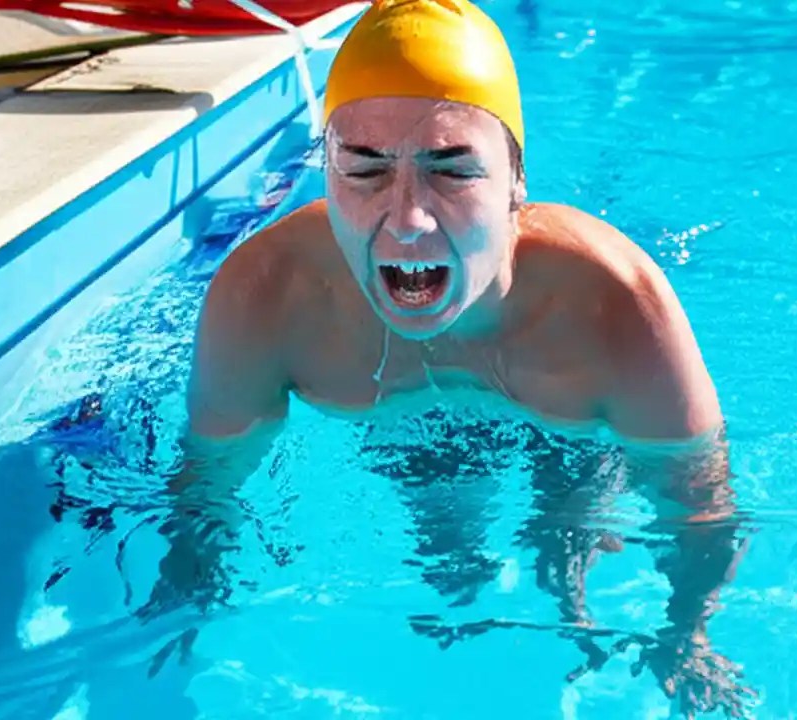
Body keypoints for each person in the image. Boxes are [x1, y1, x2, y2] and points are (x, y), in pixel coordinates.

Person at [157, 0, 753, 715]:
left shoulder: (614, 308)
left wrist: (685, 632)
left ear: (516, 184)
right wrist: (174, 627)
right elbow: (206, 494)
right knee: (445, 558)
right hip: (413, 427)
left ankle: (563, 557)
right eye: (365, 169)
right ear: (325, 173)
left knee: (569, 525)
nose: (407, 220)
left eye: (452, 170)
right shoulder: (264, 297)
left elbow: (699, 504)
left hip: (569, 428)